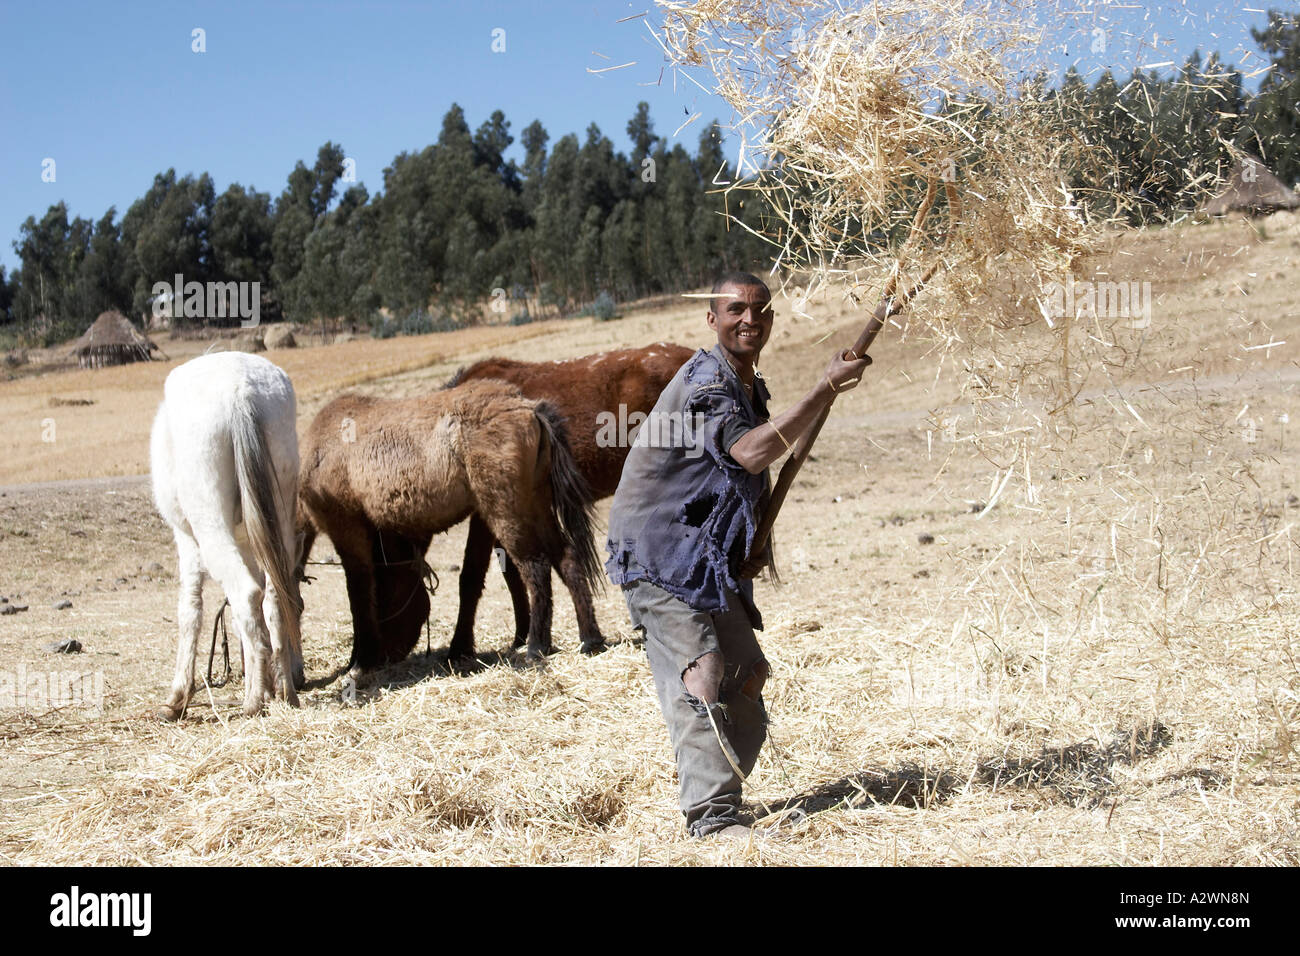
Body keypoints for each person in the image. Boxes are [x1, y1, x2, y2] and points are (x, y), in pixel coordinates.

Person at [605, 271, 871, 837]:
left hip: (702, 555)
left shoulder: (747, 385)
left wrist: (751, 547)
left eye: (760, 310)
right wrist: (824, 387)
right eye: (735, 310)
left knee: (746, 674)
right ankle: (711, 817)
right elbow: (750, 454)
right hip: (658, 553)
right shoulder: (706, 384)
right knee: (701, 673)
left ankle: (722, 786)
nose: (749, 319)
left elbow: (736, 481)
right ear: (712, 319)